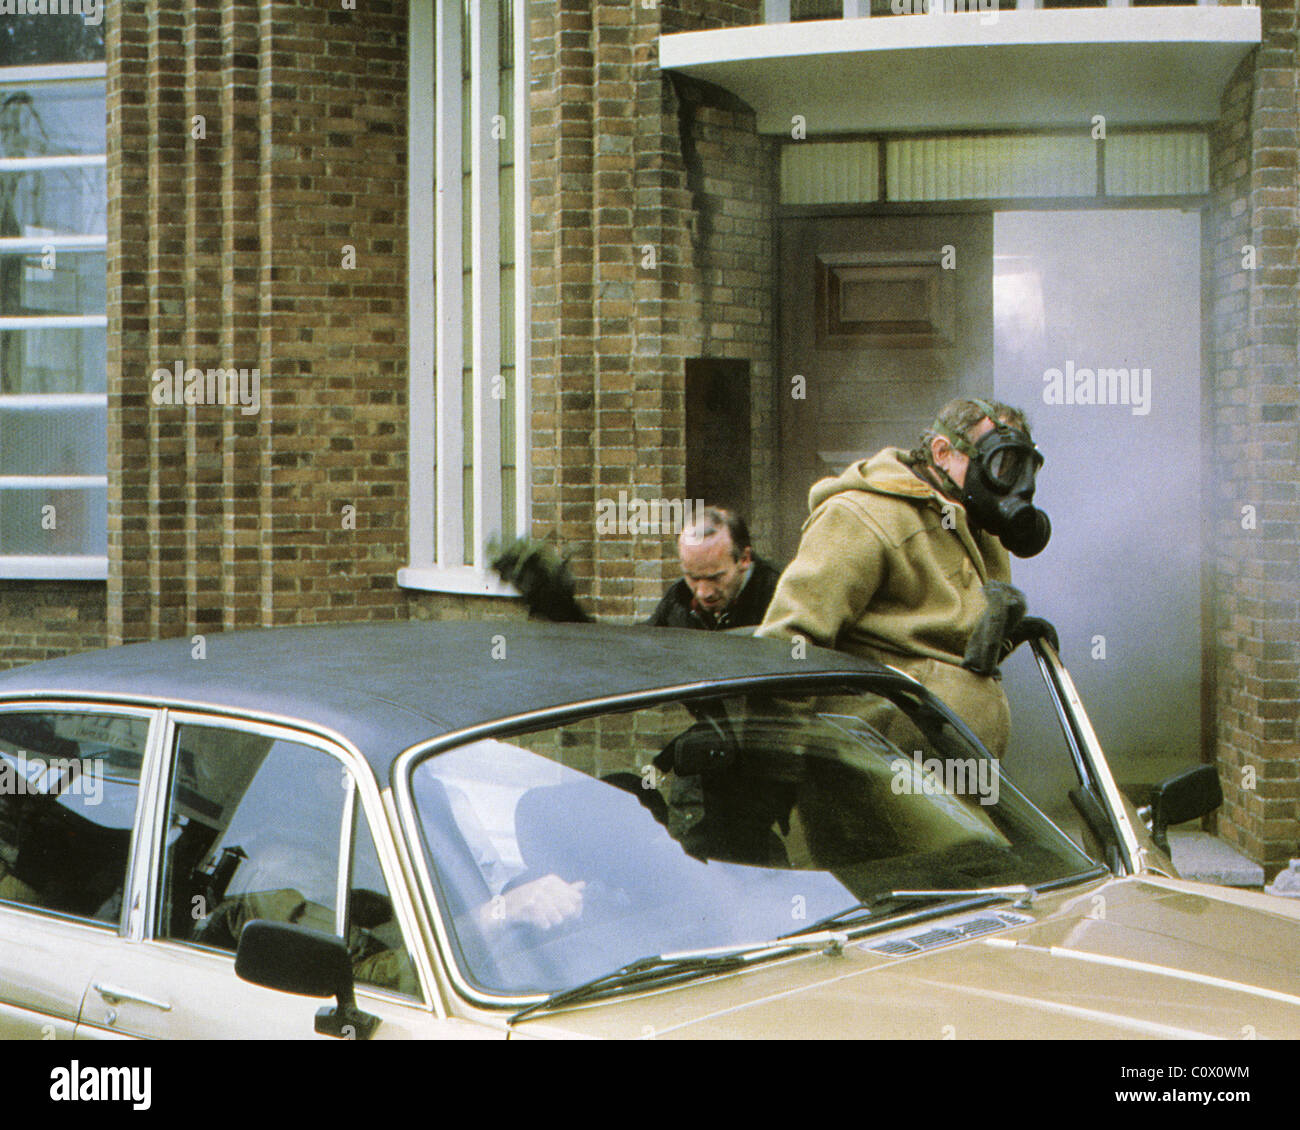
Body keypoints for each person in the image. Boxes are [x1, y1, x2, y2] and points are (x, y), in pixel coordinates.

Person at [755, 397, 1052, 758]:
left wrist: (1000, 639)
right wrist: (777, 765)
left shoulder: (976, 528)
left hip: (946, 780)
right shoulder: (865, 516)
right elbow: (787, 646)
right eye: (1002, 465)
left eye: (1023, 469)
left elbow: (927, 647)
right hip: (871, 778)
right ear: (942, 452)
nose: (1012, 485)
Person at [646, 508, 781, 630]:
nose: (704, 593)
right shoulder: (678, 598)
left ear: (744, 559)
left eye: (715, 577)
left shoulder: (782, 596)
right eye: (693, 577)